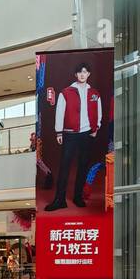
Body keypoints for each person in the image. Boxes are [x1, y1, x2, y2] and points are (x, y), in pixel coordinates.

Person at [47, 62, 103, 211]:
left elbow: (99, 111)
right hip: (70, 133)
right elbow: (60, 112)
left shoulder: (94, 94)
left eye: (85, 72)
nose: (82, 74)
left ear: (89, 74)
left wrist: (96, 127)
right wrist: (59, 131)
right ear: (76, 75)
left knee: (83, 166)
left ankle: (78, 196)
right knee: (65, 166)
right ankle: (59, 199)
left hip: (87, 134)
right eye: (80, 72)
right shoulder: (66, 92)